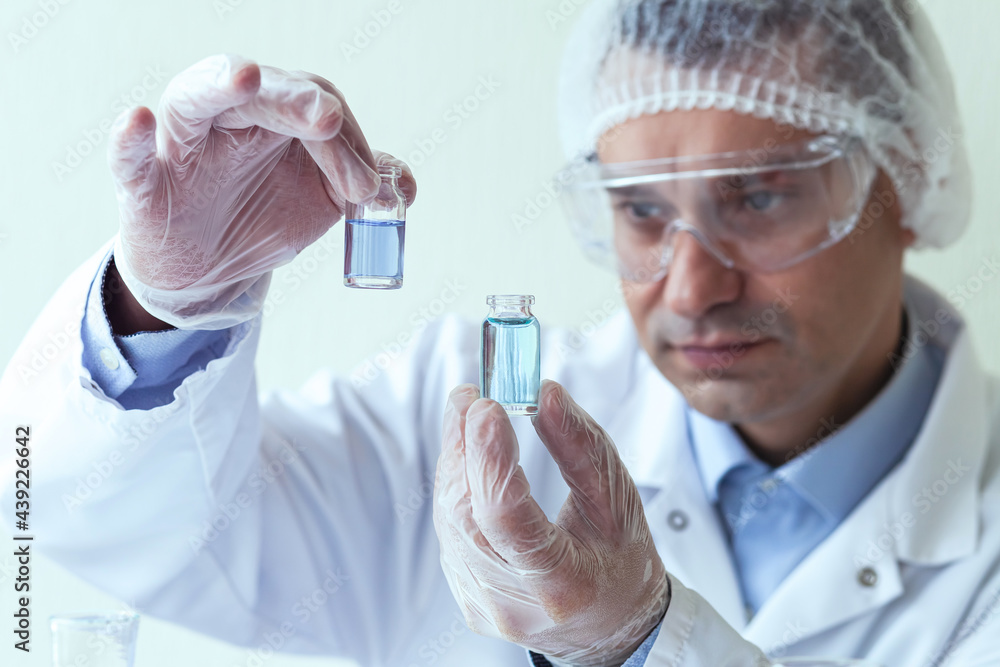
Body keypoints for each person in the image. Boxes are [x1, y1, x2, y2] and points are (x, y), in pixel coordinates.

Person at [2, 0, 997, 665]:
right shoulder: (468, 420)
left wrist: (635, 642)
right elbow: (101, 515)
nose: (691, 285)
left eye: (763, 198)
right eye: (639, 211)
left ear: (906, 180)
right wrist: (167, 305)